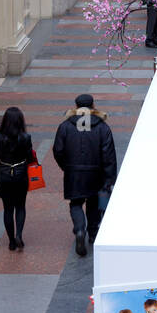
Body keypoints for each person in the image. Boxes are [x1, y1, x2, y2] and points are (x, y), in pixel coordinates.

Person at [52, 93, 117, 256]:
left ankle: (80, 230)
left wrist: (66, 166)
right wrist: (109, 178)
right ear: (93, 105)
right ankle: (93, 234)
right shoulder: (102, 127)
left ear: (76, 106)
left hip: (74, 172)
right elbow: (108, 154)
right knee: (93, 203)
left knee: (76, 203)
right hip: (95, 172)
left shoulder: (65, 126)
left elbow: (58, 150)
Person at [0, 105, 33, 251]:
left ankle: (11, 242)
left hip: (4, 174)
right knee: (20, 206)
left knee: (7, 209)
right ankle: (19, 234)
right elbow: (29, 157)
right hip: (21, 174)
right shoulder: (25, 137)